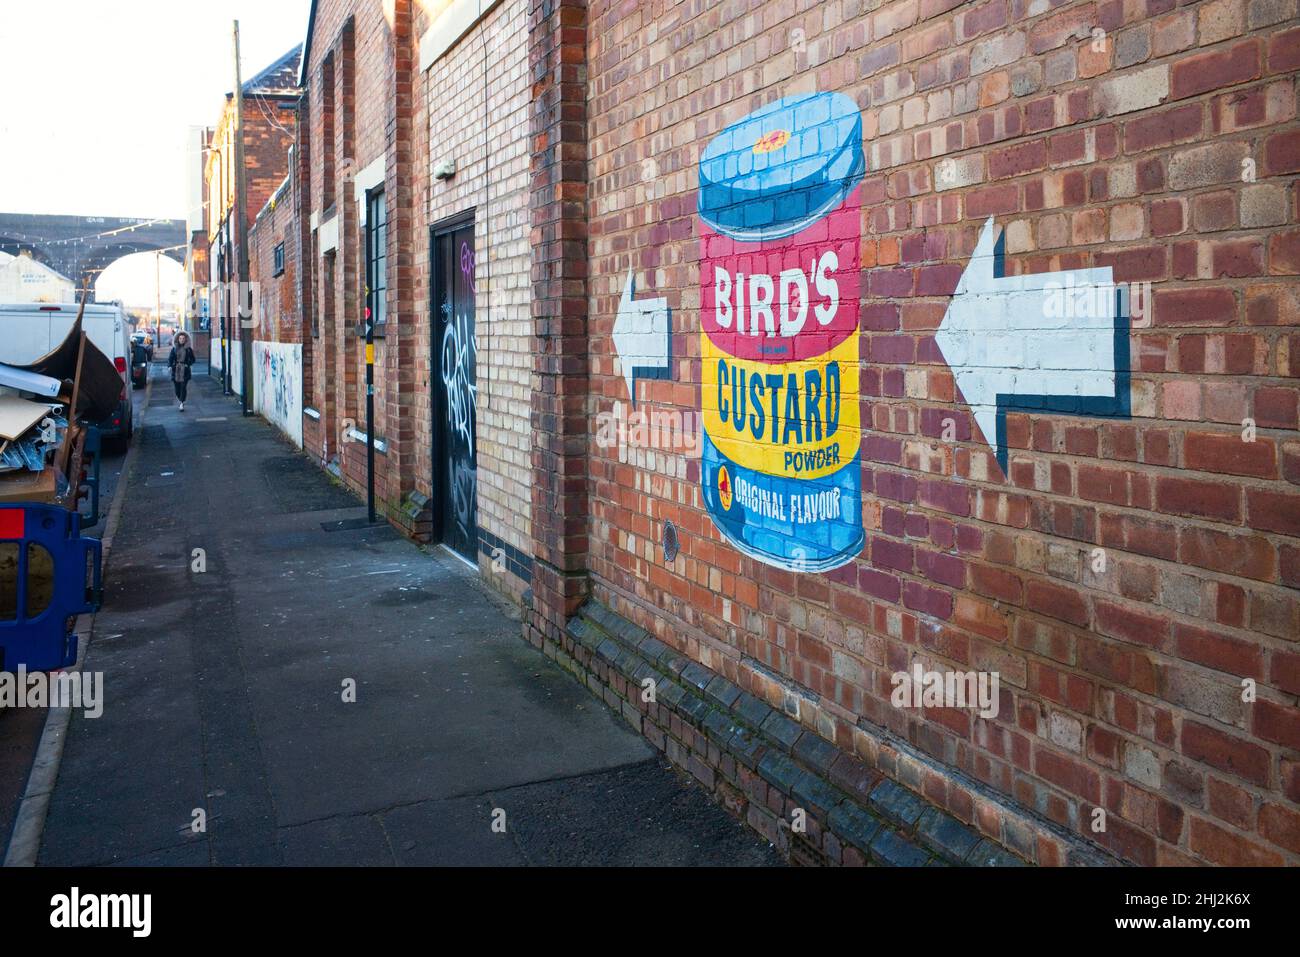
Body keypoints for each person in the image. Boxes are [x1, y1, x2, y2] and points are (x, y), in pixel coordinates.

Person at [168, 331, 195, 411]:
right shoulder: (174, 349)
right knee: (177, 388)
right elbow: (170, 358)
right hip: (175, 370)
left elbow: (193, 359)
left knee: (183, 386)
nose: (182, 340)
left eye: (183, 338)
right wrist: (169, 366)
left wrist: (188, 364)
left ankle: (181, 403)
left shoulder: (189, 349)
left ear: (185, 339)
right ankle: (180, 399)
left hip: (185, 370)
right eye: (180, 338)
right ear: (177, 339)